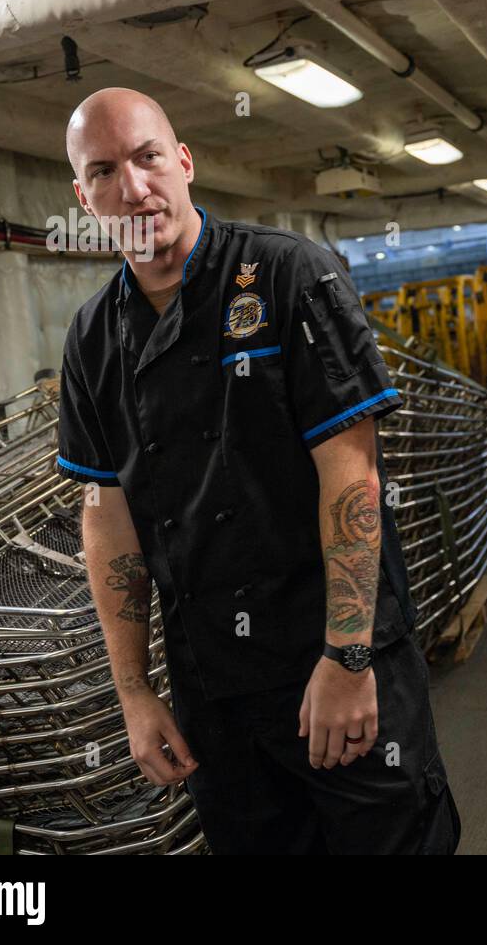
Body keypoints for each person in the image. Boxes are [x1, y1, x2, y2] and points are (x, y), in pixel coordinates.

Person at [56, 87, 460, 854]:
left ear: (183, 161)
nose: (134, 187)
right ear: (84, 197)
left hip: (332, 665)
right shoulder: (92, 341)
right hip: (216, 694)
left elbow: (351, 476)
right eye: (104, 171)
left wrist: (347, 657)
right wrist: (136, 693)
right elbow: (107, 519)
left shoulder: (286, 277)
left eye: (146, 158)